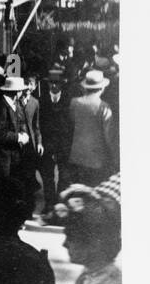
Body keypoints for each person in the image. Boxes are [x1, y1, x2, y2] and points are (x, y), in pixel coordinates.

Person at [0, 74, 32, 208]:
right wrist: (19, 137)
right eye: (21, 90)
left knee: (13, 185)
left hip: (15, 154)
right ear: (16, 92)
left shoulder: (16, 104)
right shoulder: (1, 106)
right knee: (3, 185)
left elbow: (22, 121)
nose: (22, 93)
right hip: (2, 154)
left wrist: (24, 133)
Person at [65, 70, 118, 188]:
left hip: (77, 158)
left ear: (86, 88)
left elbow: (71, 126)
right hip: (97, 161)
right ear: (102, 88)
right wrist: (115, 158)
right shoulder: (103, 107)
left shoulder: (74, 103)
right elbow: (109, 136)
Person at [37, 66, 73, 220]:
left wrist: (67, 145)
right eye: (51, 83)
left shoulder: (69, 101)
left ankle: (59, 205)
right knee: (48, 177)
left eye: (56, 83)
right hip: (47, 145)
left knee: (64, 177)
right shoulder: (41, 101)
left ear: (62, 84)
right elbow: (39, 124)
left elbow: (71, 126)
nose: (53, 86)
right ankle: (49, 204)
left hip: (64, 146)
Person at [17, 78, 45, 218]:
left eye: (31, 84)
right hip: (17, 144)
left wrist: (39, 143)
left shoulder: (35, 102)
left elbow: (36, 126)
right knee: (18, 177)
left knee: (29, 178)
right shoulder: (16, 100)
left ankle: (28, 210)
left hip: (31, 147)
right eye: (26, 84)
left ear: (34, 86)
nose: (28, 87)